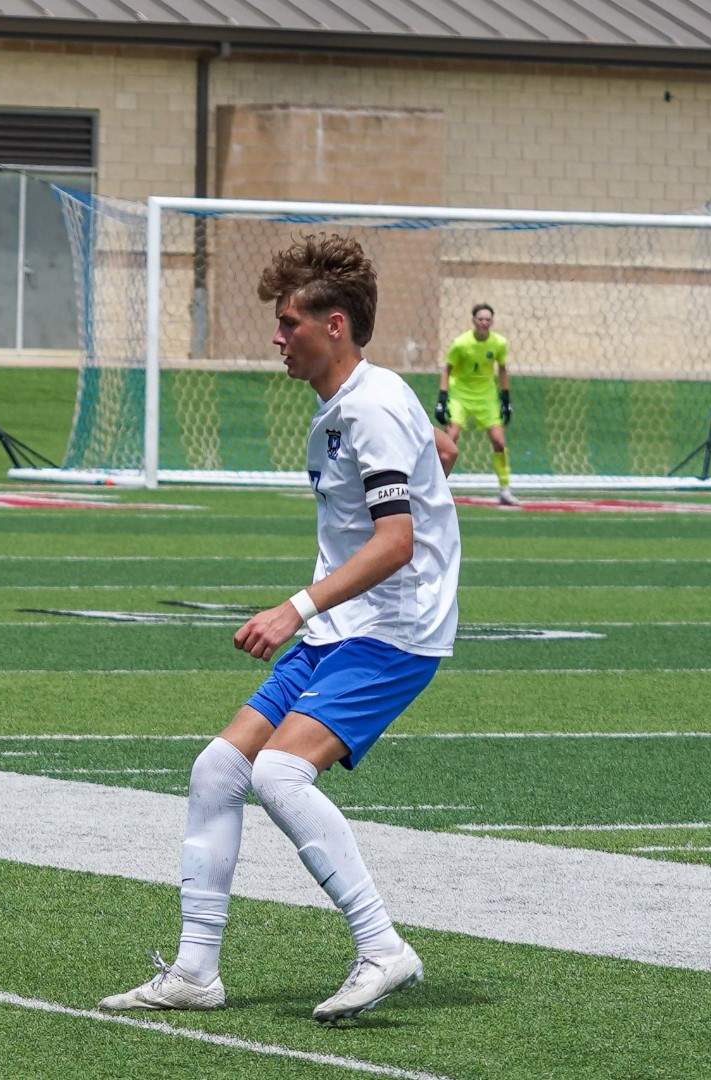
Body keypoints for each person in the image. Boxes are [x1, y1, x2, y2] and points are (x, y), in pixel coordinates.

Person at [99, 234, 458, 1024]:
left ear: (334, 326)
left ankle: (382, 946)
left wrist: (295, 607)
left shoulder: (367, 406)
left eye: (288, 320)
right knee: (216, 771)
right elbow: (402, 480)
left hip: (393, 631)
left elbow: (396, 544)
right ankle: (195, 970)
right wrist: (435, 455)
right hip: (344, 629)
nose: (276, 336)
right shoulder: (349, 408)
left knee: (278, 775)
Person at [436, 303, 517, 506]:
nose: (484, 322)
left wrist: (506, 399)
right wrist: (442, 398)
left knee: (499, 441)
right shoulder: (461, 343)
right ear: (473, 321)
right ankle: (435, 487)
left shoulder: (499, 343)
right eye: (480, 319)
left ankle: (505, 489)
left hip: (486, 396)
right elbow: (447, 368)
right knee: (450, 438)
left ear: (492, 321)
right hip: (460, 394)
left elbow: (503, 369)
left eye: (488, 319)